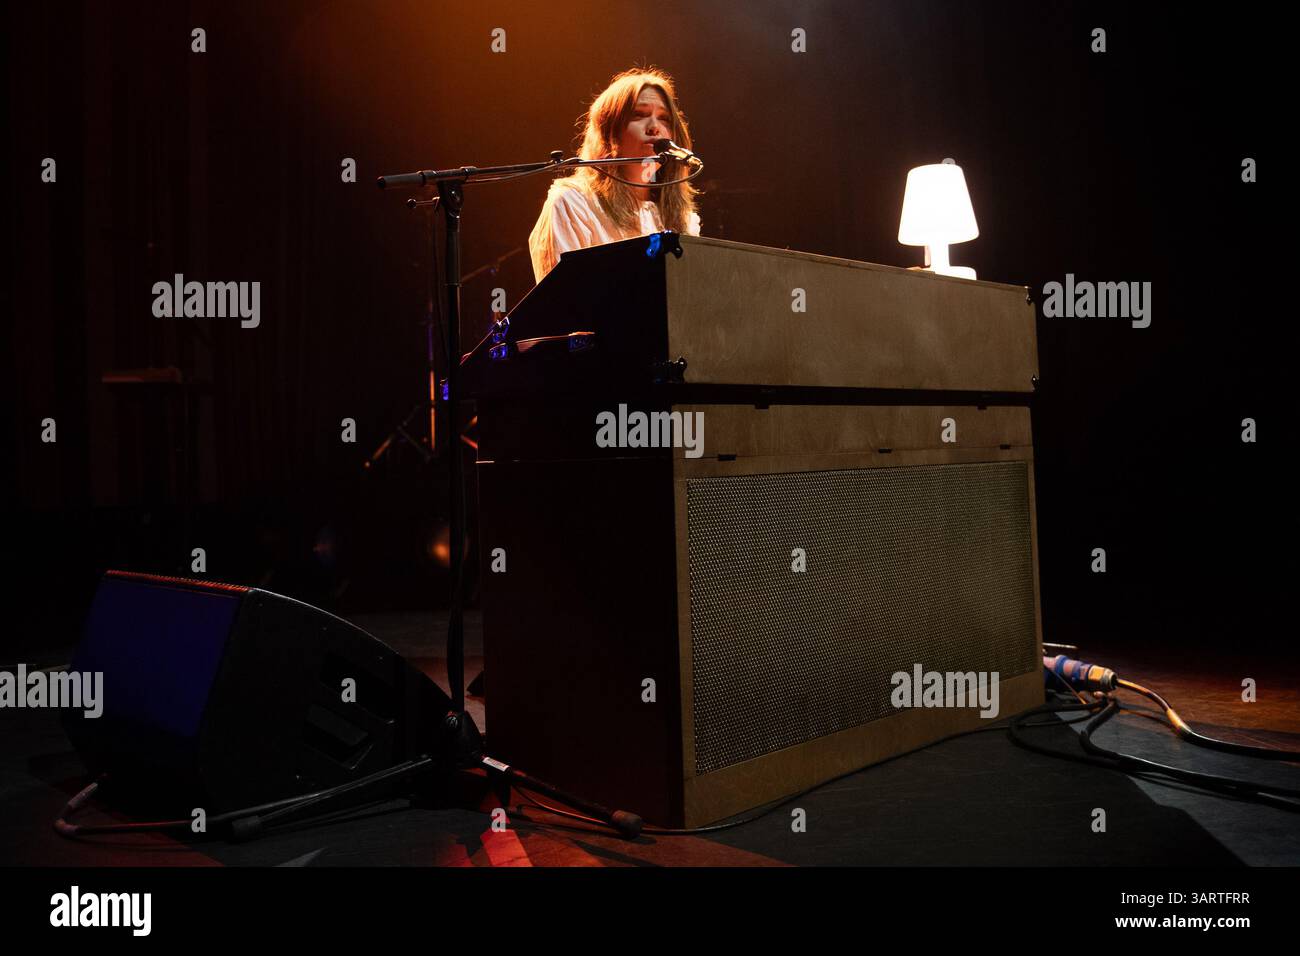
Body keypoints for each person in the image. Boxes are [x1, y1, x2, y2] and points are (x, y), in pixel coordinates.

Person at [528, 68, 702, 283]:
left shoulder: (684, 218)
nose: (654, 128)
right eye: (639, 115)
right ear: (609, 132)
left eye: (664, 119)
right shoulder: (573, 204)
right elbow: (562, 296)